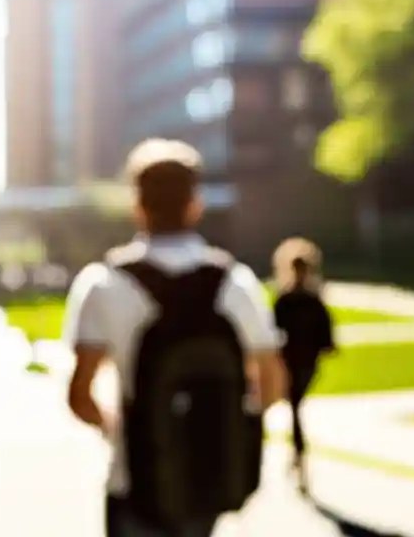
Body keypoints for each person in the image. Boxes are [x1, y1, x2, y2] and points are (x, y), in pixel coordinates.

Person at [63, 138, 286, 537]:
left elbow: (80, 395)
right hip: (210, 478)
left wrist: (114, 428)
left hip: (135, 481)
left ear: (137, 205)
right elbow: (272, 383)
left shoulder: (102, 284)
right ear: (195, 205)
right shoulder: (236, 282)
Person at [270, 238, 336, 490]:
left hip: (305, 360)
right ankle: (298, 451)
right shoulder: (285, 300)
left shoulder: (311, 301)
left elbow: (325, 333)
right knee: (295, 405)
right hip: (291, 360)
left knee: (296, 404)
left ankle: (298, 451)